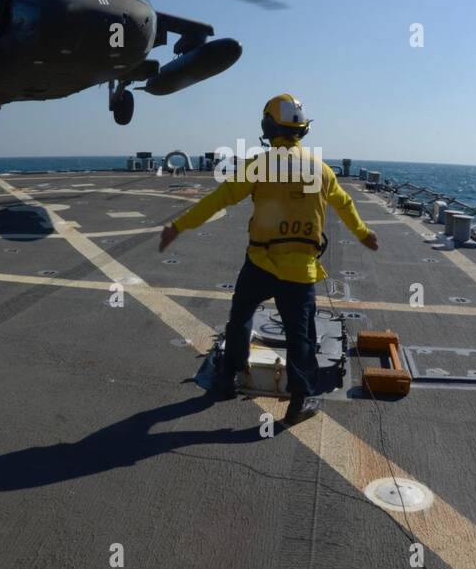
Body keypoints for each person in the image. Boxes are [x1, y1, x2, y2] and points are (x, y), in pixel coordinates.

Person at [159, 94, 379, 425]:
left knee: (241, 317)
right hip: (300, 271)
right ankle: (299, 402)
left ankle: (227, 379)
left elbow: (219, 199)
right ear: (302, 129)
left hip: (261, 263)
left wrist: (179, 225)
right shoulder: (320, 170)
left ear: (268, 126)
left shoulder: (258, 165)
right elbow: (345, 204)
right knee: (300, 336)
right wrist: (363, 234)